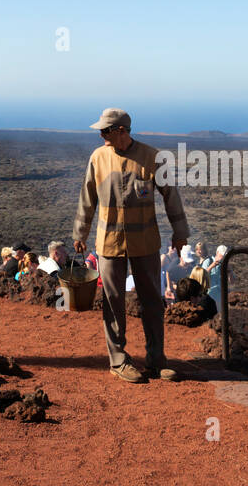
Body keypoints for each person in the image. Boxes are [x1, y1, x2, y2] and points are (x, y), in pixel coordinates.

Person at [73, 107, 190, 384]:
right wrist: (80, 233)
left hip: (145, 242)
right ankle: (118, 360)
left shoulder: (152, 158)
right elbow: (87, 197)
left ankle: (156, 360)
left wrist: (180, 232)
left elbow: (171, 196)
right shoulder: (98, 157)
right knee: (113, 303)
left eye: (105, 130)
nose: (101, 135)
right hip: (109, 243)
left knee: (152, 302)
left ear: (121, 131)